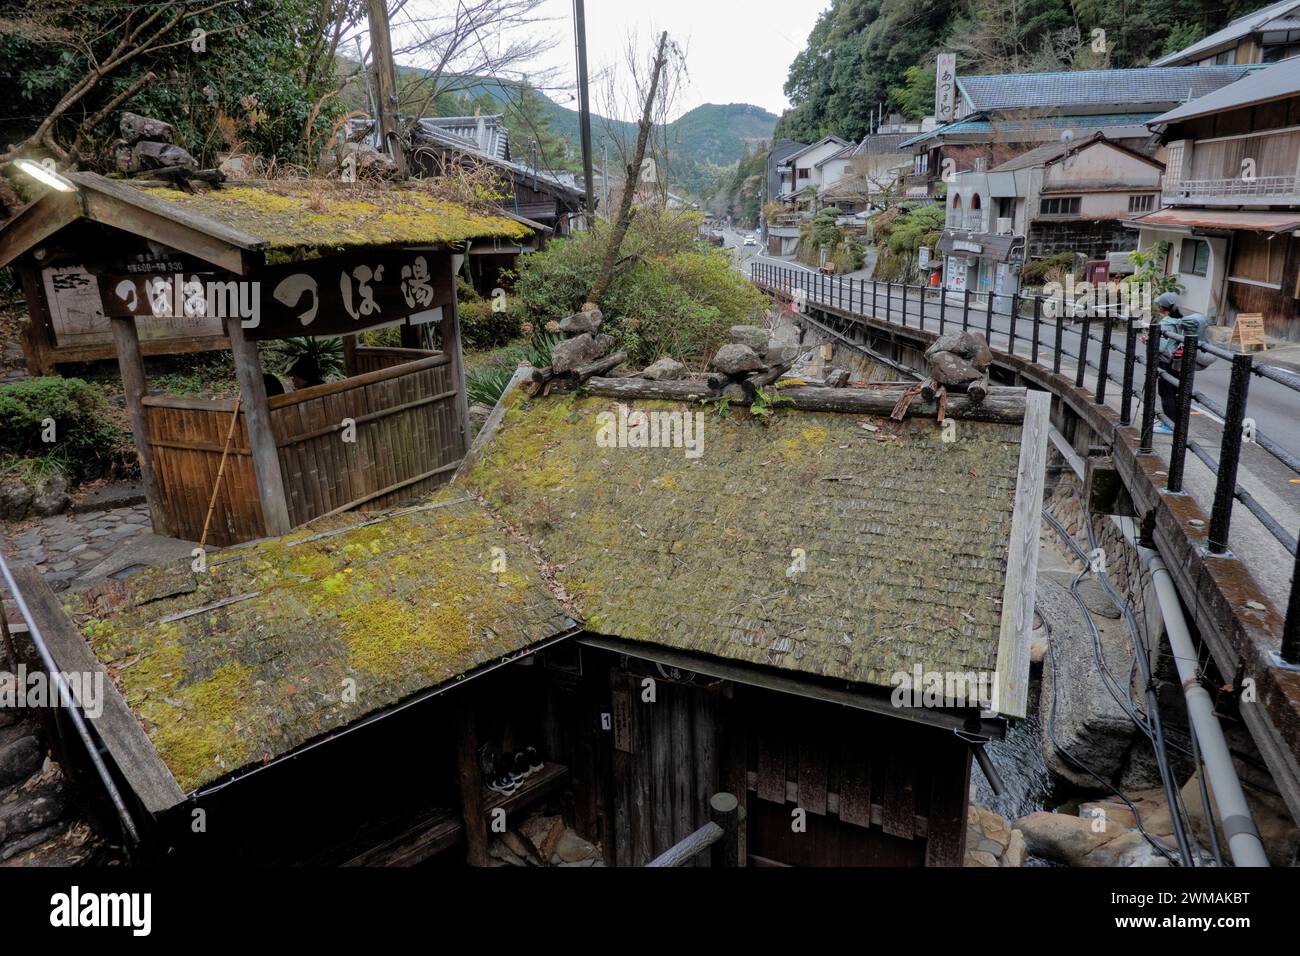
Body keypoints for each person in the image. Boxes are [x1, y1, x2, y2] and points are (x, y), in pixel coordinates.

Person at [1141, 292, 1207, 435]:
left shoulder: (1166, 323)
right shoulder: (1181, 320)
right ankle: (1174, 422)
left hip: (1167, 362)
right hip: (1179, 360)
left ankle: (1169, 425)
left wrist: (1147, 340)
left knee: (1166, 393)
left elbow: (1161, 347)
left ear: (1161, 306)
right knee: (1175, 392)